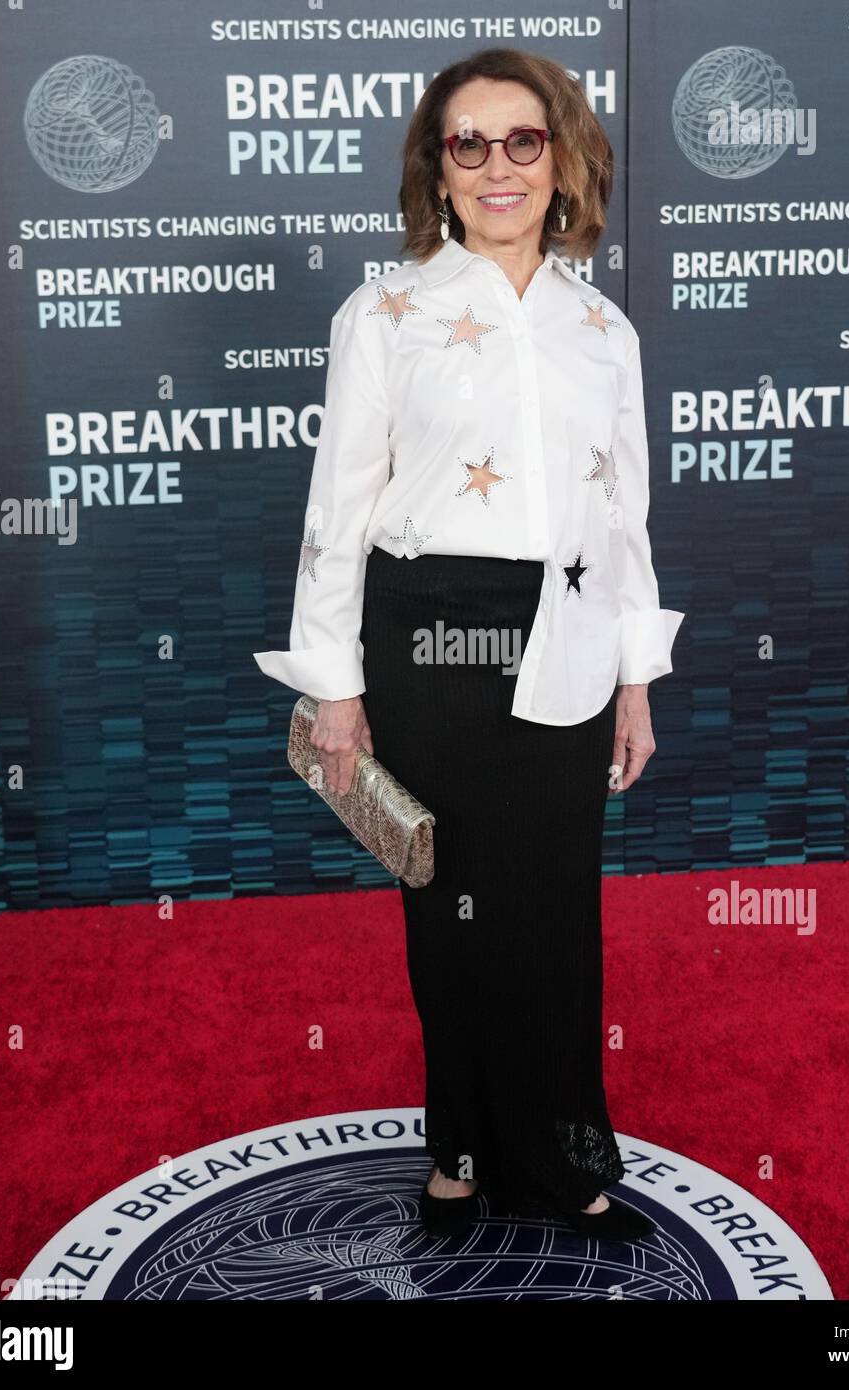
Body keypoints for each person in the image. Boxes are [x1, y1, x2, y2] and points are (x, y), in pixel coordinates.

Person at [253, 47, 684, 1243]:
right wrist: (333, 691)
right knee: (449, 907)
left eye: (522, 140)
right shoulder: (383, 314)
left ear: (562, 159)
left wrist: (634, 679)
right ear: (436, 172)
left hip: (572, 629)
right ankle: (454, 1150)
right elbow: (336, 512)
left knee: (552, 910)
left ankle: (559, 1158)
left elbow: (625, 518)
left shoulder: (604, 327)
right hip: (427, 633)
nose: (498, 165)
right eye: (468, 143)